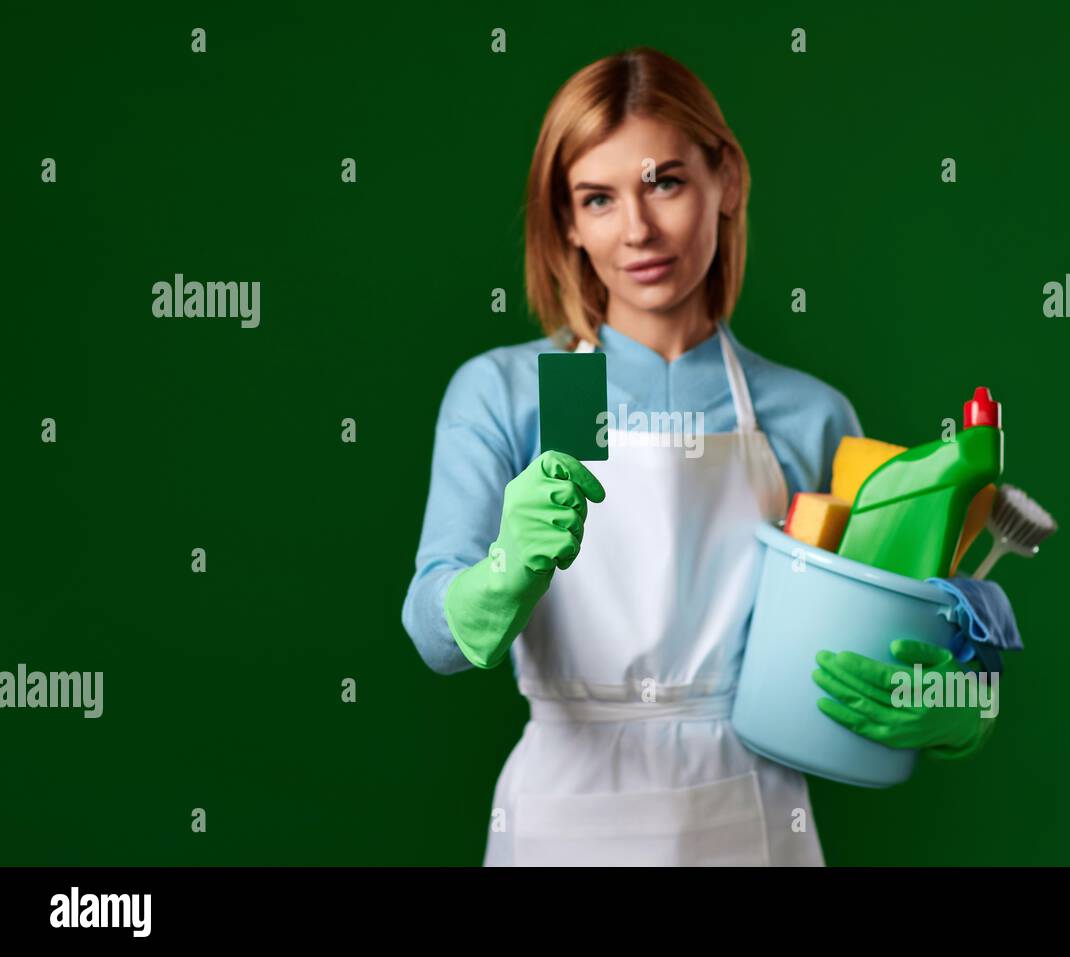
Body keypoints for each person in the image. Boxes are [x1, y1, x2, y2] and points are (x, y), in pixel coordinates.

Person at [402, 47, 999, 867]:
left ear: (730, 183)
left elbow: (906, 608)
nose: (637, 230)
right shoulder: (515, 393)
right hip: (562, 821)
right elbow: (434, 630)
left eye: (666, 182)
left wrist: (959, 698)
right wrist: (498, 576)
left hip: (751, 816)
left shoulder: (811, 415)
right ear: (567, 223)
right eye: (598, 198)